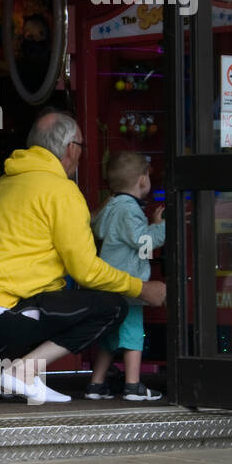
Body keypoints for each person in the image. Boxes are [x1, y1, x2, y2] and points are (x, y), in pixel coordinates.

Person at [0, 110, 167, 404]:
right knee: (111, 308)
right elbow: (87, 271)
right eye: (82, 147)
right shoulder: (62, 190)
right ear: (71, 148)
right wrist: (142, 288)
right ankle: (23, 371)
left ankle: (10, 376)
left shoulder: (1, 185)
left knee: (55, 294)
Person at [87, 151, 165, 401]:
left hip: (109, 284)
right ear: (143, 181)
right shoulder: (130, 209)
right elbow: (143, 243)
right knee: (133, 334)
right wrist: (160, 226)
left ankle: (96, 385)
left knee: (109, 337)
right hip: (129, 286)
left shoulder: (110, 206)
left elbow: (97, 230)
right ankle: (133, 385)